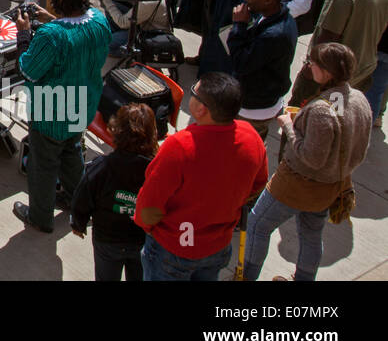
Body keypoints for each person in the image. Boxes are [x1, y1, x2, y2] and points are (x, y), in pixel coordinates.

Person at [243, 42, 370, 281]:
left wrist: (290, 128)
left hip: (296, 184)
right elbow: (360, 150)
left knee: (258, 224)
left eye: (313, 63)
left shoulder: (321, 110)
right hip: (331, 186)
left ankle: (246, 278)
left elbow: (311, 157)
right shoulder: (359, 100)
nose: (309, 65)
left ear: (327, 72)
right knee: (312, 234)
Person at [136, 72, 268, 281]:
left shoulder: (178, 147)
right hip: (217, 246)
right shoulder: (252, 137)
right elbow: (258, 183)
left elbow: (150, 205)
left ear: (201, 108)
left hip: (173, 250)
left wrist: (149, 228)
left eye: (193, 93)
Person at [12, 0, 109, 233]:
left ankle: (40, 217)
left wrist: (23, 35)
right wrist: (50, 19)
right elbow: (77, 36)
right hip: (82, 108)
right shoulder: (99, 22)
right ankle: (77, 202)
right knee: (72, 151)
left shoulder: (51, 36)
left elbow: (29, 70)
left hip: (51, 115)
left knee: (42, 166)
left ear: (62, 0)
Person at [290, 0, 388, 102]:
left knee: (300, 115)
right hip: (360, 72)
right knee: (337, 116)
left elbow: (327, 39)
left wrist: (310, 69)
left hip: (328, 75)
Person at [71, 103, 157, 282]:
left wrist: (78, 224)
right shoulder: (156, 171)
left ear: (116, 131)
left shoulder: (101, 167)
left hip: (107, 240)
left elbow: (83, 197)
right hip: (141, 240)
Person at [227, 0, 298, 140]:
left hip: (255, 107)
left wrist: (239, 26)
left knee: (244, 146)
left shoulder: (274, 35)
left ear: (268, 0)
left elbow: (241, 63)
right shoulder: (273, 15)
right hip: (260, 95)